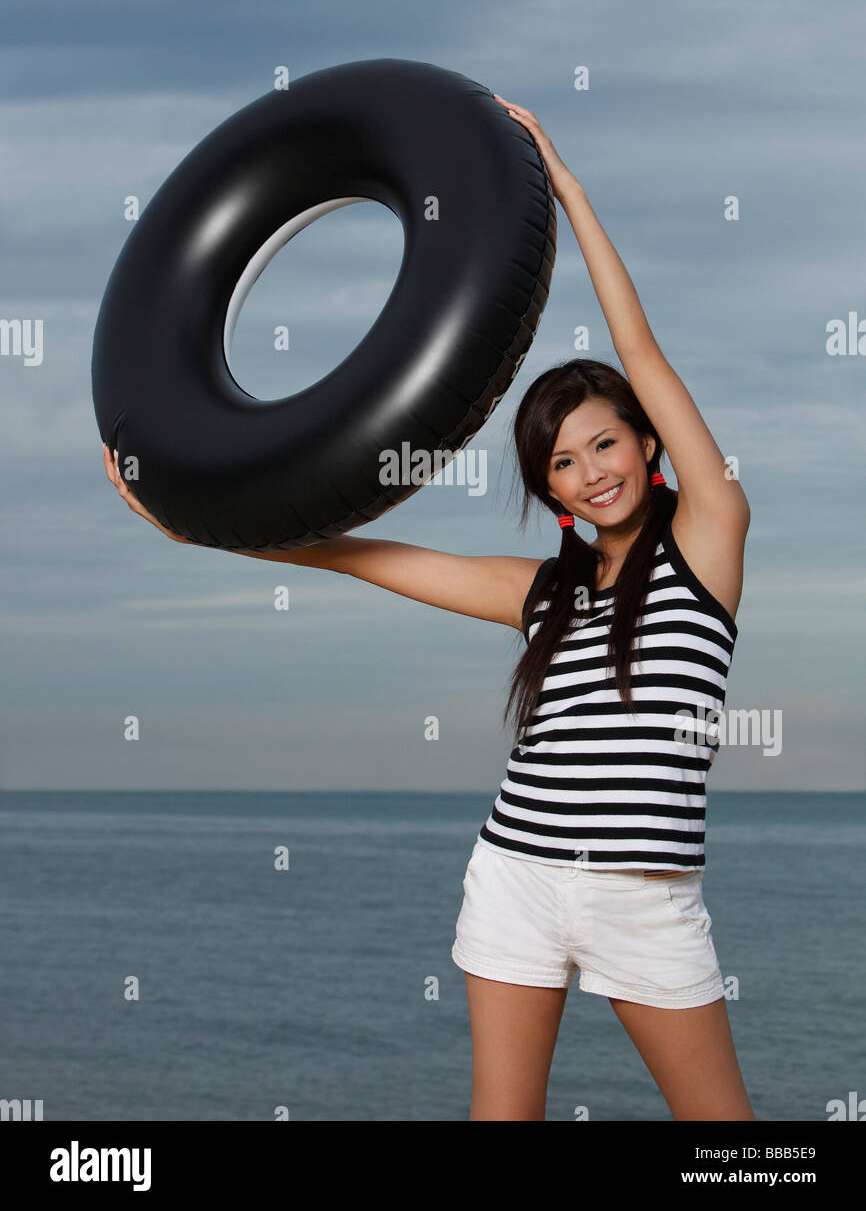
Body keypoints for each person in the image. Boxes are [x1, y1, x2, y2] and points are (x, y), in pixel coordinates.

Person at [101, 93, 755, 1122]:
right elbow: (369, 555)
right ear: (549, 494)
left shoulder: (707, 542)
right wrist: (197, 527)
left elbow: (643, 356)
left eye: (603, 445)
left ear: (646, 447)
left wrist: (570, 193)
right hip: (516, 878)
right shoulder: (540, 593)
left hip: (645, 901)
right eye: (560, 465)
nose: (589, 473)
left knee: (729, 1138)